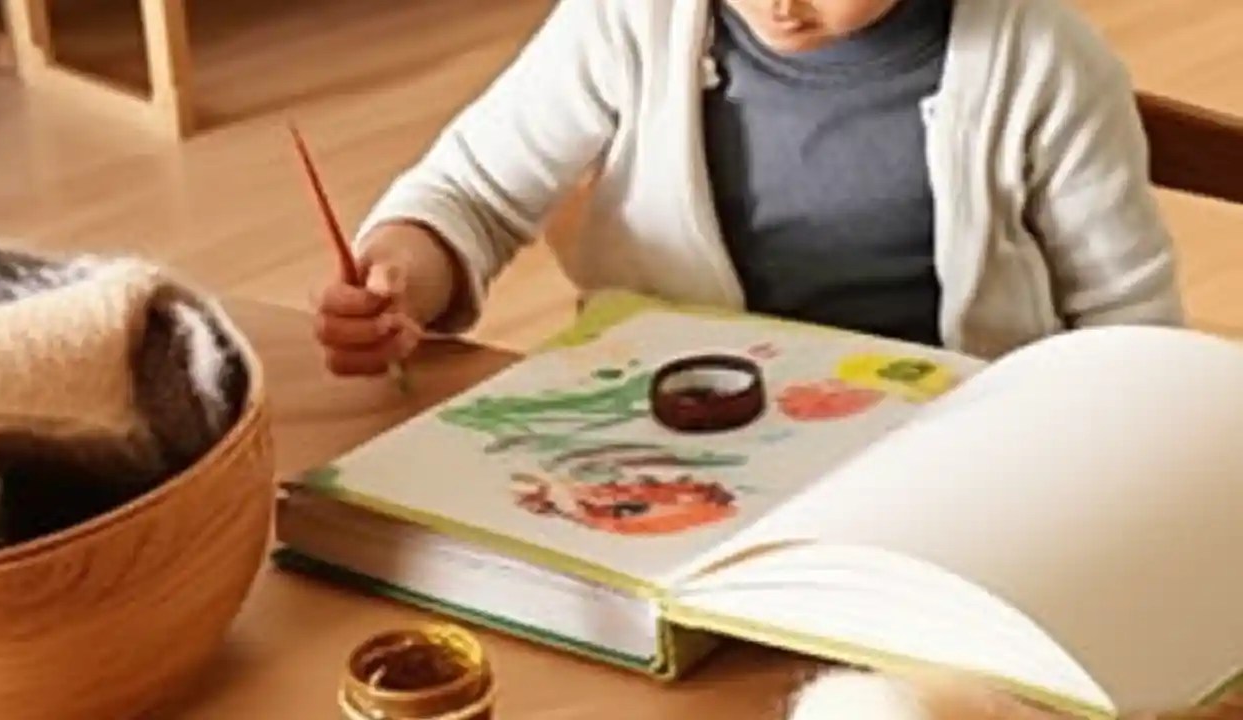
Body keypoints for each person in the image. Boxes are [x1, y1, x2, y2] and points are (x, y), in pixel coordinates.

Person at [312, 0, 1184, 378]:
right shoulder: (631, 19)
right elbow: (470, 191)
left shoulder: (1047, 61)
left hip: (954, 454)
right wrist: (402, 276)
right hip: (675, 436)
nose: (779, 10)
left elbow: (1130, 321)